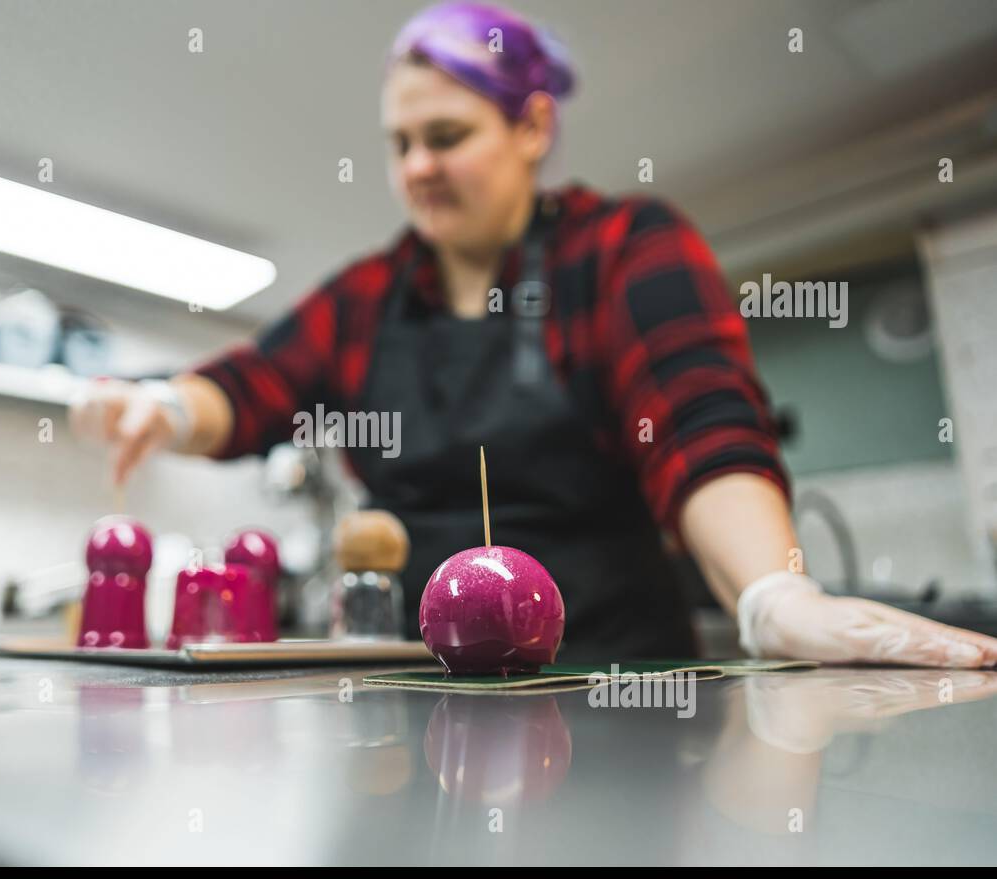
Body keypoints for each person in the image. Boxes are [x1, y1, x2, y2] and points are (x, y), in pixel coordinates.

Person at [72, 2, 997, 667]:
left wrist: (772, 594)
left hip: (620, 687)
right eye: (399, 145)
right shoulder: (365, 297)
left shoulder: (623, 248)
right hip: (420, 694)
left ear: (531, 125)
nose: (417, 168)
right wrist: (161, 406)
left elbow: (698, 421)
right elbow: (249, 388)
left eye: (446, 134)